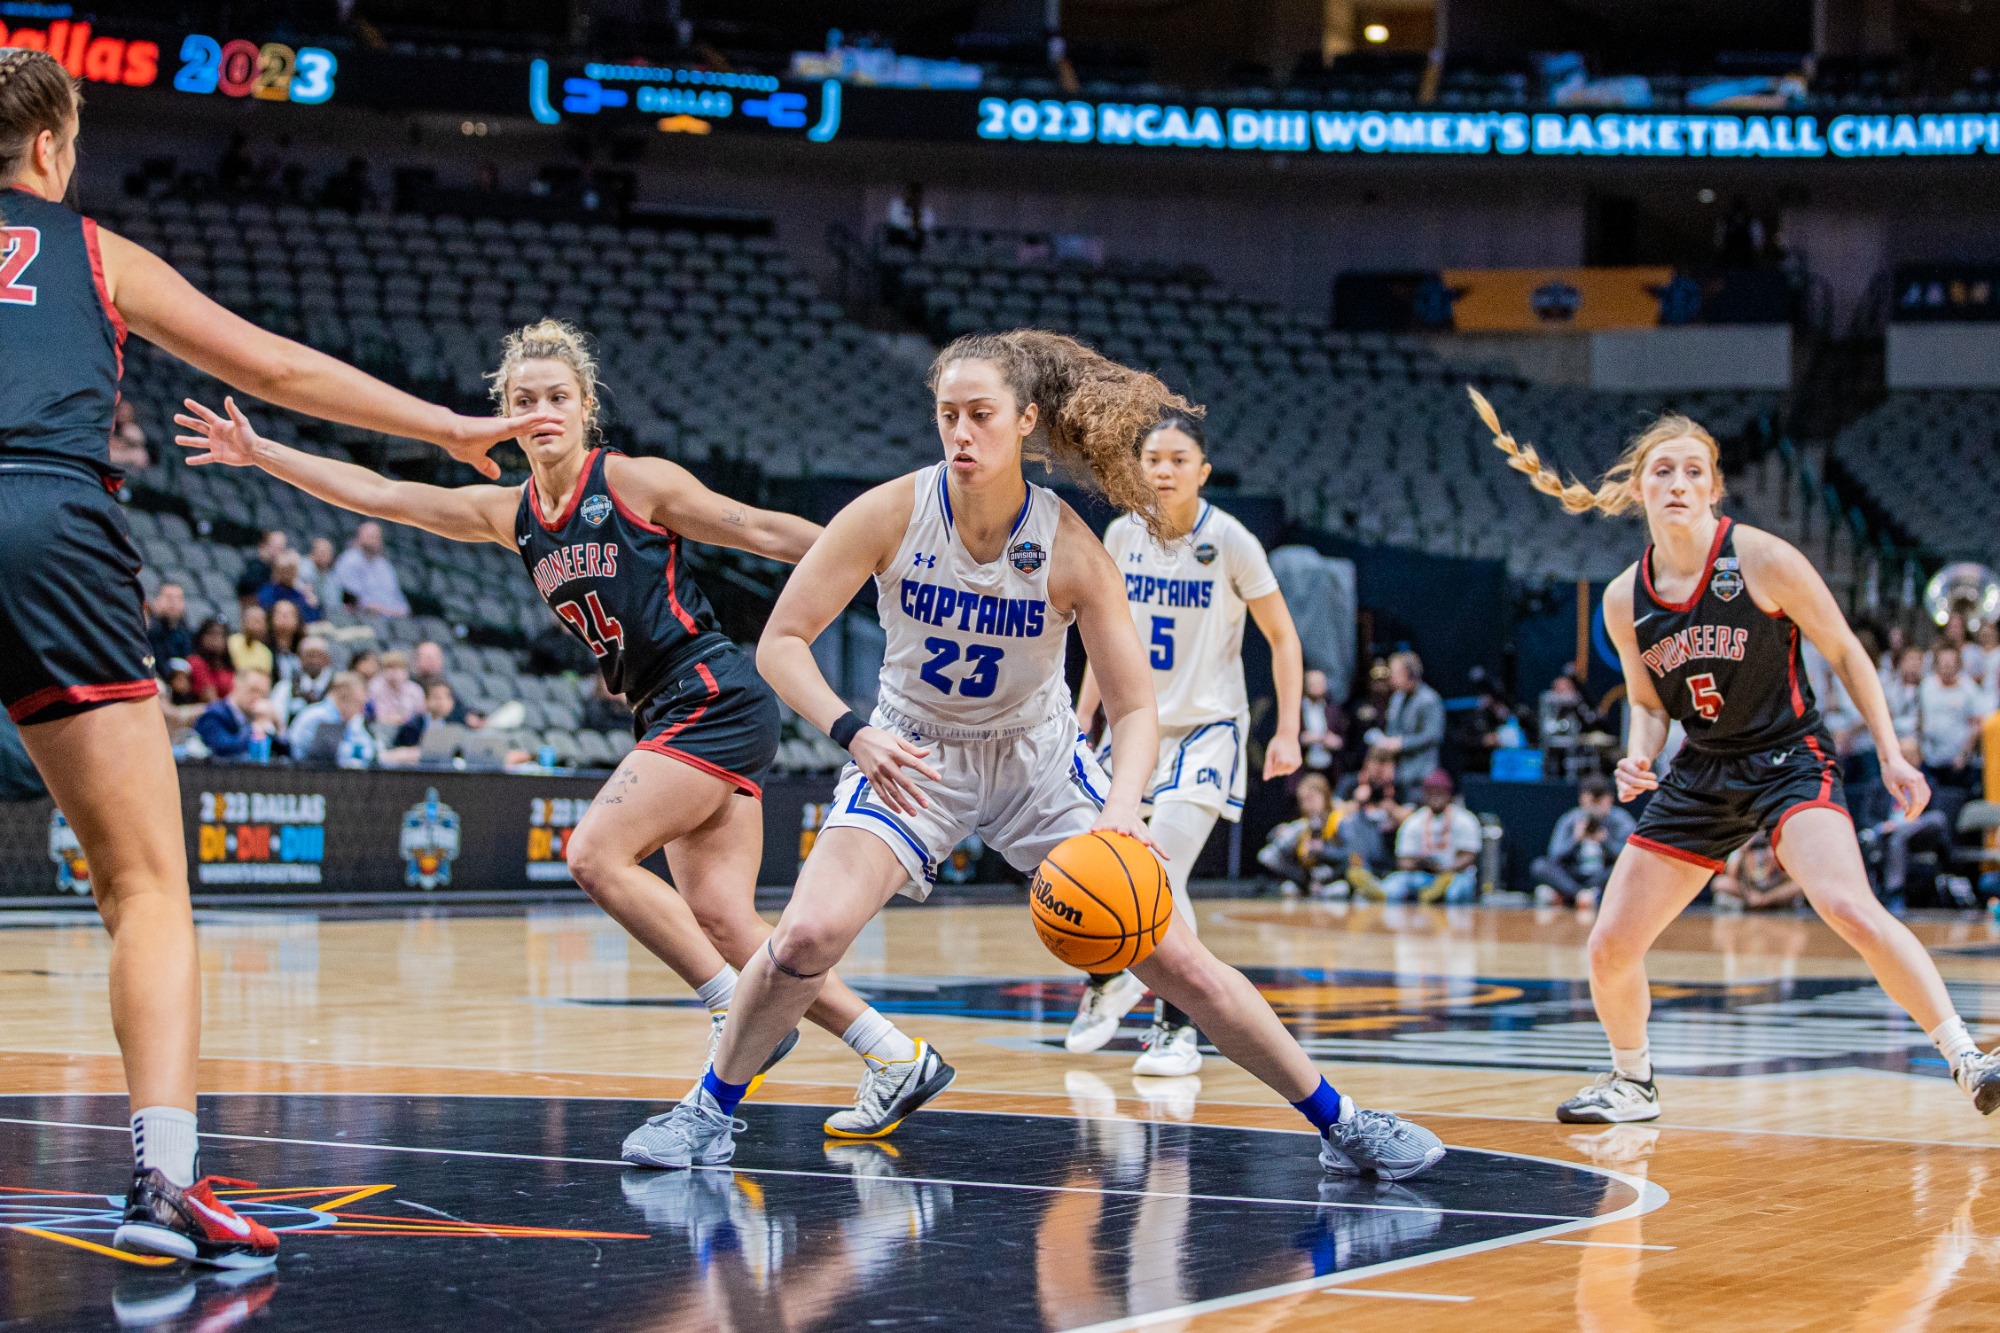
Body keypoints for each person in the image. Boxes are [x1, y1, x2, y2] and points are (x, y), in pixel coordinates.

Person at [619, 329, 1443, 1180]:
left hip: (1040, 765)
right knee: (804, 935)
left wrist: (1122, 810)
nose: (962, 433)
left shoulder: (1071, 545)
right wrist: (853, 729)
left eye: (982, 415)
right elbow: (783, 642)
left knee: (1178, 961)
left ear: (1026, 422)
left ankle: (1344, 1121)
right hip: (911, 754)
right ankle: (706, 1112)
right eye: (948, 416)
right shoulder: (890, 512)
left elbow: (1131, 705)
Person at [0, 45, 561, 1266]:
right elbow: (276, 368)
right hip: (47, 515)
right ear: (50, 148)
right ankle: (160, 1175)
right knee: (144, 882)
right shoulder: (93, 253)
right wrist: (451, 424)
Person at [177, 317, 935, 1140]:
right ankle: (893, 1052)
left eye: (558, 396)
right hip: (669, 709)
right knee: (731, 923)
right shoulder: (513, 514)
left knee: (592, 852)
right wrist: (264, 455)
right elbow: (387, 496)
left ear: (586, 407)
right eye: (524, 399)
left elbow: (754, 527)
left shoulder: (635, 484)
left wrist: (888, 562)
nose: (542, 410)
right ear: (503, 413)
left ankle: (737, 1013)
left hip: (712, 692)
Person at [1467, 389, 2000, 1124]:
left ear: (1714, 488)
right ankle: (1633, 1081)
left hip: (1788, 755)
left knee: (1847, 904)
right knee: (1610, 943)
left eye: (1693, 470)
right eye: (1663, 470)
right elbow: (1649, 702)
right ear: (1639, 487)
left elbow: (1845, 648)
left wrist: (1891, 752)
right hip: (1703, 768)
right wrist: (1636, 754)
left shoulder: (1760, 557)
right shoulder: (1625, 600)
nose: (1678, 482)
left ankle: (1966, 1055)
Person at [1068, 411, 1306, 1076]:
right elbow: (1101, 640)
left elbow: (1283, 637)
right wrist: (1082, 722)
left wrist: (1287, 728)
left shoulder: (1229, 539)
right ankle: (1120, 981)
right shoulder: (1120, 533)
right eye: (1153, 459)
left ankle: (1169, 1023)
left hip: (1208, 727)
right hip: (1132, 726)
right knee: (1119, 871)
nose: (1164, 470)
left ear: (1203, 471)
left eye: (1178, 459)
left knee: (1159, 871)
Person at [1372, 769, 1481, 904]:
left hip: (1455, 874)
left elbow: (1469, 856)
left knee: (1454, 892)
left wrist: (1446, 869)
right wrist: (1421, 864)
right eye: (1431, 793)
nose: (1435, 797)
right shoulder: (1414, 821)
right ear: (1424, 795)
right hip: (1422, 875)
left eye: (1440, 793)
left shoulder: (1465, 819)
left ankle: (1439, 896)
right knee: (1393, 887)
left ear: (1450, 795)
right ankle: (1375, 891)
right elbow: (1403, 861)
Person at [1257, 772, 1375, 898]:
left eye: (1310, 799)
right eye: (1302, 801)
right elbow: (1269, 856)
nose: (1306, 805)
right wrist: (1279, 835)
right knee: (1286, 884)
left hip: (1338, 878)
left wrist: (1324, 850)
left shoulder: (1340, 821)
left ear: (1324, 796)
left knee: (1340, 889)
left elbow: (1354, 855)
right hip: (1311, 878)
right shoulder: (1304, 825)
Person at [1532, 774, 1635, 909]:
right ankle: (1583, 896)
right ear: (1582, 799)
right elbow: (1554, 855)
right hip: (1574, 875)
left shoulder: (1621, 820)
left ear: (1609, 800)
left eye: (1599, 802)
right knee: (1540, 865)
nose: (1594, 807)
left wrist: (1605, 841)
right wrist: (1575, 839)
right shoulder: (1570, 819)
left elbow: (1630, 857)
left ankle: (1568, 896)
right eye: (1591, 801)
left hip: (1601, 876)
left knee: (1624, 869)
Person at [1369, 651, 1445, 795]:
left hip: (1421, 773)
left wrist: (1401, 743)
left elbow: (1433, 736)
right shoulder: (1397, 698)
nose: (1390, 678)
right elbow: (1392, 729)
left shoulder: (1429, 700)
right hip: (1397, 773)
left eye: (1394, 673)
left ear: (1409, 673)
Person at [1919, 645, 1988, 798]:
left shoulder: (1969, 688)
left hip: (1958, 763)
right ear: (1936, 665)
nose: (1947, 668)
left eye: (1950, 664)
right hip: (1931, 760)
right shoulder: (1926, 686)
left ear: (1958, 665)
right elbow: (1921, 717)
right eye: (1943, 664)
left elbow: (1977, 724)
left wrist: (1964, 754)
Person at [286, 670, 374, 767]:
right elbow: (335, 757)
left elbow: (369, 751)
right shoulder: (319, 716)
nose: (361, 710)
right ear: (343, 696)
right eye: (358, 704)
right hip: (305, 776)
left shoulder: (351, 720)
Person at [330, 520, 409, 616]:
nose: (374, 541)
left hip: (390, 620)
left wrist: (395, 611)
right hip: (360, 619)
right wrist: (380, 610)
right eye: (370, 536)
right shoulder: (349, 560)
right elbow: (350, 601)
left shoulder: (385, 565)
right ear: (358, 538)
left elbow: (403, 605)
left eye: (377, 537)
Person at [192, 668, 273, 760]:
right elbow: (223, 749)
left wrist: (279, 726)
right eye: (253, 690)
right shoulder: (213, 715)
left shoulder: (257, 716)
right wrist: (255, 728)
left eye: (263, 694)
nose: (258, 697)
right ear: (237, 684)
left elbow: (282, 754)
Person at [1711, 831, 1803, 912]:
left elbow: (1796, 884)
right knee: (1720, 884)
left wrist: (1765, 899)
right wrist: (1741, 851)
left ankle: (1765, 903)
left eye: (1764, 845)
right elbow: (1727, 879)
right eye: (1756, 847)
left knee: (1799, 888)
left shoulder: (1777, 852)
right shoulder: (1743, 853)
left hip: (1774, 893)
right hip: (1750, 893)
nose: (1760, 852)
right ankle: (1757, 903)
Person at [271, 634, 334, 723]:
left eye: (319, 656)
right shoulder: (286, 686)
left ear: (327, 659)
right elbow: (277, 718)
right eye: (309, 656)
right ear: (300, 658)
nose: (314, 660)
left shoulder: (336, 687)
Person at [1299, 668, 1343, 780]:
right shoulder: (1296, 710)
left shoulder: (1333, 710)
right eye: (1313, 683)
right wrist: (1303, 739)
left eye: (1320, 683)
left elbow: (1343, 736)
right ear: (1305, 684)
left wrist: (1335, 741)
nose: (1318, 686)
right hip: (1303, 769)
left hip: (1329, 770)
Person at [367, 649, 424, 731]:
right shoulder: (375, 687)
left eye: (398, 667)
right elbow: (374, 716)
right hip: (383, 729)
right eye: (389, 667)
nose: (393, 672)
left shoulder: (415, 689)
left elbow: (419, 715)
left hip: (408, 730)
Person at [257, 550, 318, 621]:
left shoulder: (299, 593)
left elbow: (312, 619)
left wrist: (310, 602)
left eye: (292, 571)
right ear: (277, 571)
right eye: (284, 571)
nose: (288, 575)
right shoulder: (267, 592)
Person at [145, 580, 192, 673]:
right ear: (156, 600)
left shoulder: (186, 633)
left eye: (178, 598)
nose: (174, 602)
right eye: (168, 597)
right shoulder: (147, 629)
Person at [187, 617, 234, 703]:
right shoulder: (196, 662)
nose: (217, 639)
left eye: (222, 635)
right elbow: (210, 699)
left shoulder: (228, 664)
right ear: (202, 636)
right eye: (212, 634)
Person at [235, 528, 288, 603]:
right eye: (276, 547)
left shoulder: (279, 570)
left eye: (281, 548)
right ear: (265, 545)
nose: (278, 552)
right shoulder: (255, 567)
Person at [225, 603, 274, 679]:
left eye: (262, 621)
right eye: (255, 620)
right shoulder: (231, 642)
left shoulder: (266, 652)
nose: (259, 625)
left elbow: (265, 678)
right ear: (243, 622)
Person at [266, 598, 305, 686]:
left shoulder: (303, 650)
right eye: (279, 613)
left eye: (290, 614)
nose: (284, 617)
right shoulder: (263, 649)